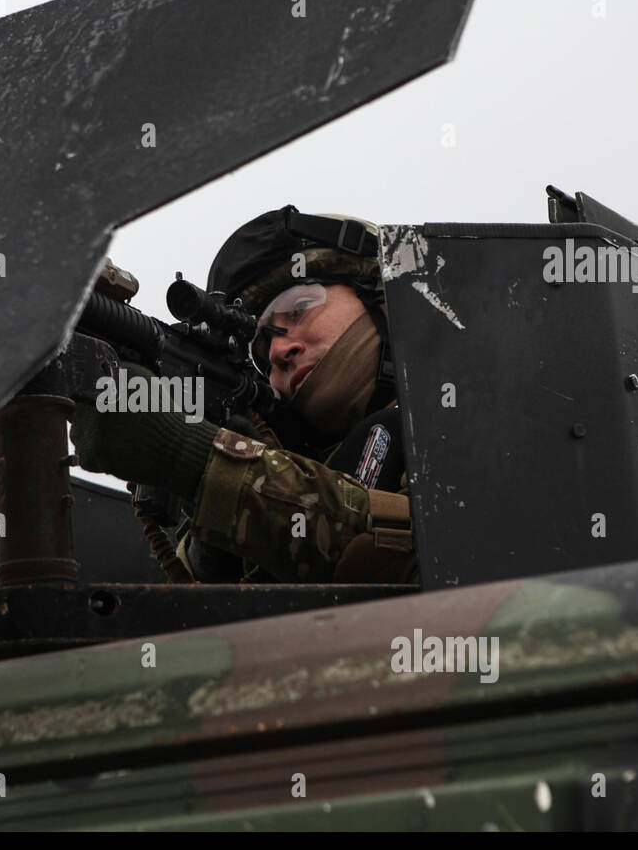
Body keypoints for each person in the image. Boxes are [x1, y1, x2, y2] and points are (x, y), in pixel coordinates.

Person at [70, 206, 417, 584]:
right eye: (260, 349)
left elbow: (416, 558)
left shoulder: (466, 401)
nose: (277, 353)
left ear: (380, 298)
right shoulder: (301, 452)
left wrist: (190, 456)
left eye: (299, 310)